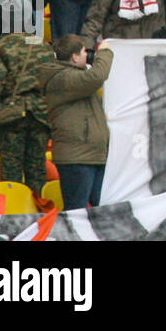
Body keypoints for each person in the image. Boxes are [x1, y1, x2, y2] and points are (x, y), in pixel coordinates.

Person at [0, 19, 57, 202]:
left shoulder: (1, 46)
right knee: (37, 171)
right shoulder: (43, 45)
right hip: (41, 114)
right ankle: (37, 213)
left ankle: (12, 215)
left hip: (13, 115)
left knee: (11, 173)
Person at [39, 35, 113, 211]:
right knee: (76, 212)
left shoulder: (75, 78)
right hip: (77, 158)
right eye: (83, 52)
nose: (87, 56)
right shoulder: (62, 79)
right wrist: (105, 52)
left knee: (100, 210)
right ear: (74, 57)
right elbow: (97, 76)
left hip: (92, 154)